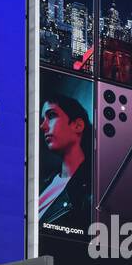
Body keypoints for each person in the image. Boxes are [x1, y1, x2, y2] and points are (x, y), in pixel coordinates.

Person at [37, 92, 93, 232]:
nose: (42, 126)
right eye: (43, 119)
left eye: (51, 116)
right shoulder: (41, 184)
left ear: (78, 125)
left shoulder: (91, 191)